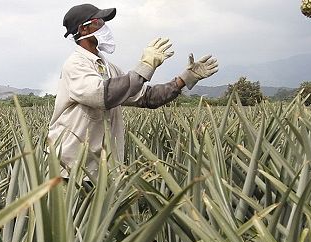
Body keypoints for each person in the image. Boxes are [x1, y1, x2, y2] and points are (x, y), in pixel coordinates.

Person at [47, 4, 219, 180]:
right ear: (83, 30)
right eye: (99, 23)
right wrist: (145, 66)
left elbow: (147, 97)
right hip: (70, 170)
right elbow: (103, 95)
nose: (104, 27)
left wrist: (184, 78)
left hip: (101, 171)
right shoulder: (75, 65)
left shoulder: (108, 68)